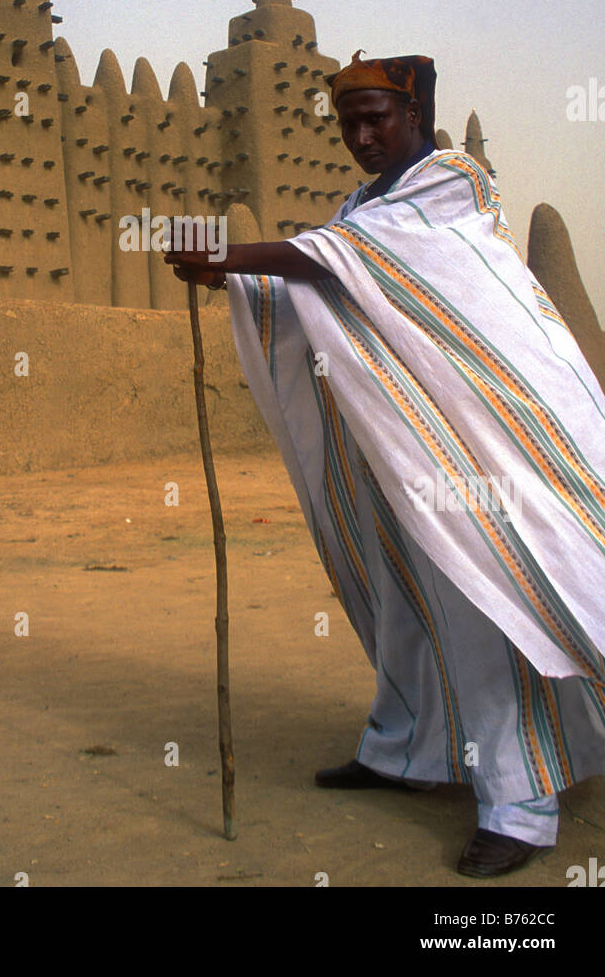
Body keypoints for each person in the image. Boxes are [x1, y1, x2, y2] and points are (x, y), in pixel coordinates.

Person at [164, 50, 605, 878]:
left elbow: (350, 259)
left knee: (482, 610)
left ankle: (520, 805)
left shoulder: (449, 188)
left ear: (416, 117)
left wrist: (232, 257)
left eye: (378, 119)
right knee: (401, 602)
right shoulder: (359, 209)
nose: (362, 136)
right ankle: (402, 752)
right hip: (407, 458)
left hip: (477, 459)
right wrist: (225, 274)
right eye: (348, 124)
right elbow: (324, 277)